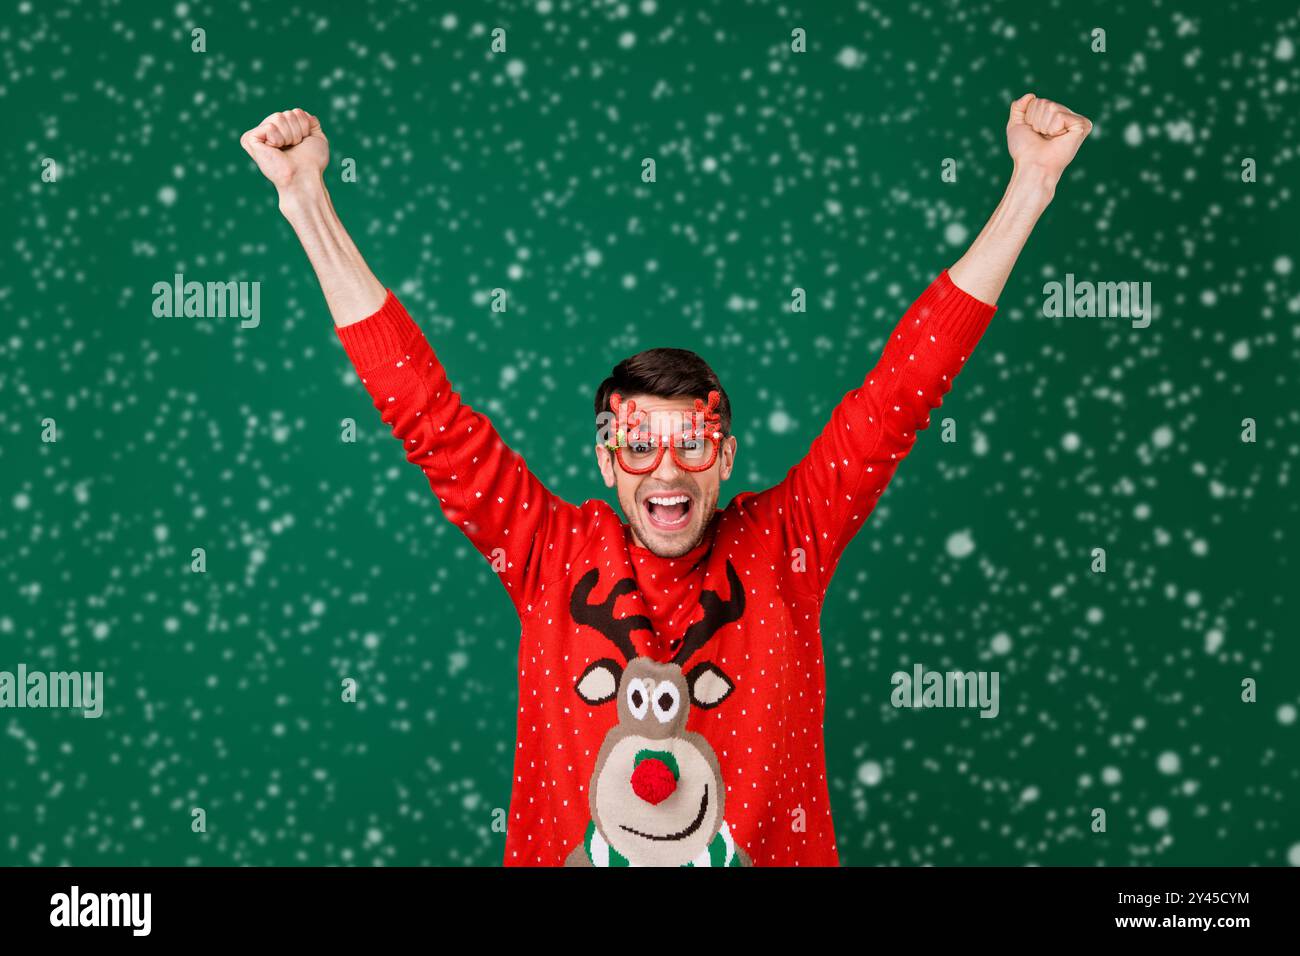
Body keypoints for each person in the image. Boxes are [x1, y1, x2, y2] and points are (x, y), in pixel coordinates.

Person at [241, 94, 1091, 866]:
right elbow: (426, 416)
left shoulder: (790, 542)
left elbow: (901, 395)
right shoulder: (545, 553)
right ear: (606, 461)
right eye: (639, 444)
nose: (667, 469)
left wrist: (1030, 188)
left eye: (693, 443)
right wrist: (307, 200)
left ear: (724, 457)